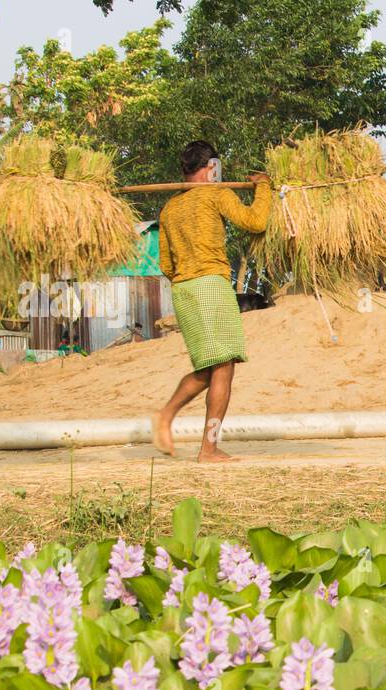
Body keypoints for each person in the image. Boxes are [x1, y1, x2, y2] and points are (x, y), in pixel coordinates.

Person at [151, 141, 272, 463]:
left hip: (183, 290)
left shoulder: (169, 208)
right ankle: (206, 446)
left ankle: (170, 418)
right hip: (210, 286)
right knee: (223, 366)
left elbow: (166, 264)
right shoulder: (216, 194)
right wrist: (263, 188)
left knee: (210, 369)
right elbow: (255, 221)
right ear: (212, 168)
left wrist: (189, 275)